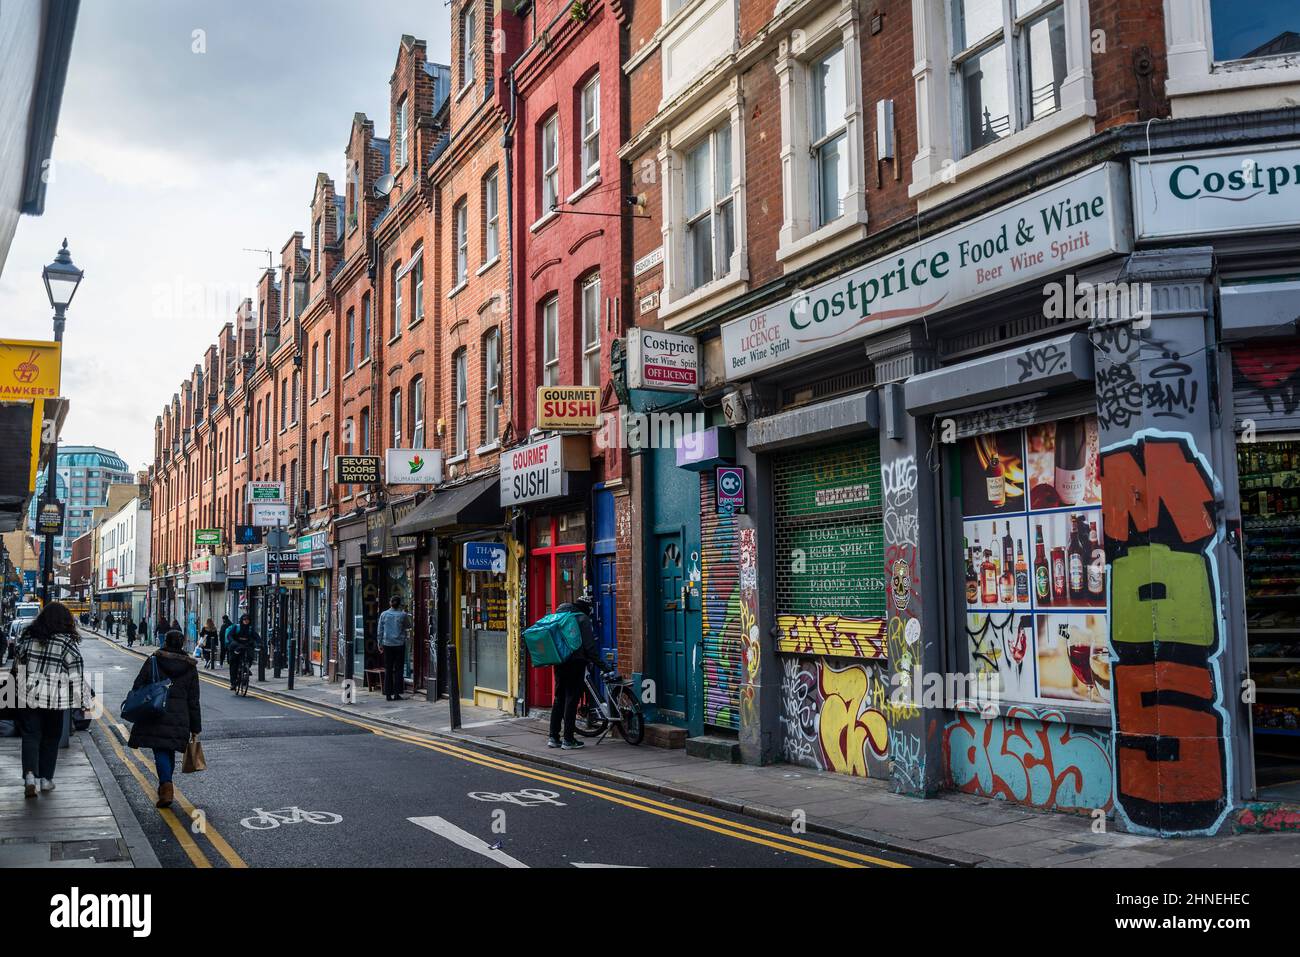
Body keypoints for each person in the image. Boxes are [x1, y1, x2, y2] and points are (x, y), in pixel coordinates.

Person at [11, 602, 89, 798]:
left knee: (30, 735)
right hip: (55, 698)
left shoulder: (28, 639)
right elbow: (76, 673)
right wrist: (83, 701)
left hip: (28, 695)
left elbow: (17, 665)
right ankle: (45, 779)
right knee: (51, 738)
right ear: (65, 621)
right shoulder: (66, 643)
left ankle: (30, 775)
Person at [126, 629, 201, 808]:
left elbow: (138, 685)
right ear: (182, 643)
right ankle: (166, 786)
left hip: (155, 711)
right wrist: (195, 726)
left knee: (160, 749)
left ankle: (166, 786)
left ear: (165, 642)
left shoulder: (154, 660)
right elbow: (193, 700)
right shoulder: (190, 666)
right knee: (169, 749)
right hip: (179, 715)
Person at [548, 594, 611, 751]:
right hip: (575, 663)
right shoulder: (582, 619)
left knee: (559, 699)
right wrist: (603, 666)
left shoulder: (560, 615)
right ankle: (568, 740)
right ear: (587, 608)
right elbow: (589, 648)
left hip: (559, 662)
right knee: (571, 700)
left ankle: (553, 737)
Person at [376, 595, 411, 701]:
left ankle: (388, 694)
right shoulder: (403, 615)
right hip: (399, 645)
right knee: (399, 669)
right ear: (399, 604)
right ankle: (397, 694)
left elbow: (380, 631)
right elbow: (408, 626)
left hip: (387, 644)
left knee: (388, 669)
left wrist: (380, 643)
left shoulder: (384, 614)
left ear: (390, 603)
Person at [227, 614, 258, 692]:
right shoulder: (236, 627)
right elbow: (229, 636)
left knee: (250, 657)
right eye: (244, 619)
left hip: (246, 647)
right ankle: (233, 683)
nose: (246, 621)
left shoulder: (250, 629)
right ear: (242, 620)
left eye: (247, 620)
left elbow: (256, 637)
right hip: (236, 647)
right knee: (234, 664)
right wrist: (234, 643)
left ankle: (246, 668)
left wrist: (260, 644)